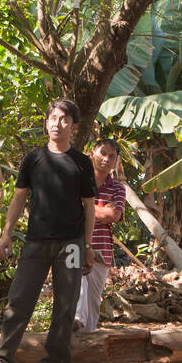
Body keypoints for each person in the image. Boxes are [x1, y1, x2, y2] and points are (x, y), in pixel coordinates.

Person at [0, 100, 97, 363]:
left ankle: (55, 362)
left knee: (66, 303)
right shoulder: (33, 159)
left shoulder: (81, 163)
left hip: (70, 243)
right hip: (35, 241)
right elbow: (19, 196)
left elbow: (90, 206)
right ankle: (2, 361)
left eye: (64, 119)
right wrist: (7, 232)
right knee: (19, 300)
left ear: (74, 126)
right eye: (53, 118)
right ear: (46, 122)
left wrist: (87, 245)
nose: (57, 124)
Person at [74, 138, 127, 333]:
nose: (106, 159)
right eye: (103, 153)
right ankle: (76, 323)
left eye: (111, 156)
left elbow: (113, 215)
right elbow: (68, 209)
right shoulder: (76, 182)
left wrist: (83, 206)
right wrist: (100, 210)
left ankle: (87, 340)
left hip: (102, 249)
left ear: (115, 161)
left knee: (93, 300)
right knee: (76, 287)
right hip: (76, 244)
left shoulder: (117, 188)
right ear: (92, 154)